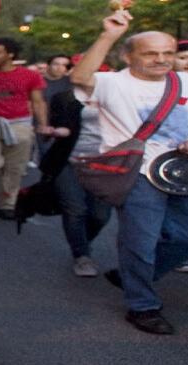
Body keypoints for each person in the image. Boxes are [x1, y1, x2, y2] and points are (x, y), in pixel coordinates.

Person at [70, 8, 188, 335]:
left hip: (187, 172)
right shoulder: (111, 83)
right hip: (137, 174)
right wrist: (108, 34)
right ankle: (142, 305)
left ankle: (133, 275)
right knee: (140, 243)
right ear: (128, 56)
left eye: (168, 53)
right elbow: (80, 79)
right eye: (151, 53)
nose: (161, 59)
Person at [0, 37, 52, 220]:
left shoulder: (30, 76)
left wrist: (43, 125)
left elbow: (38, 101)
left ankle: (7, 203)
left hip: (19, 124)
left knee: (14, 168)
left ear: (10, 55)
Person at [43, 84, 112, 278]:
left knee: (100, 216)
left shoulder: (119, 96)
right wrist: (56, 131)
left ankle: (81, 241)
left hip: (105, 166)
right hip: (69, 161)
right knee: (75, 209)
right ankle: (82, 256)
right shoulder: (65, 97)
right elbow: (60, 123)